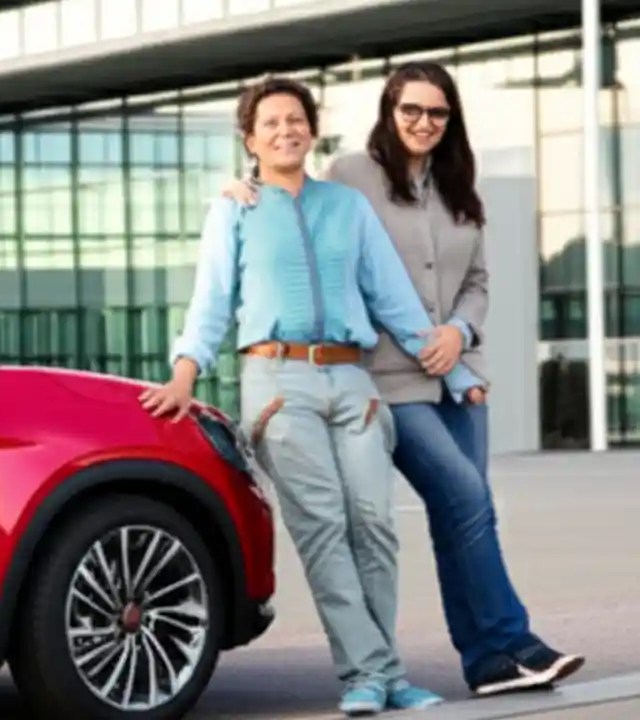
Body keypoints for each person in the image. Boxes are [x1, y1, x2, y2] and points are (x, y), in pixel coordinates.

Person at [217, 61, 585, 697]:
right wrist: (241, 187)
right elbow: (313, 237)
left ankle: (488, 664)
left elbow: (478, 284)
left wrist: (459, 337)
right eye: (410, 110)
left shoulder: (461, 185)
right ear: (389, 113)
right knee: (464, 499)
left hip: (457, 377)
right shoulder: (353, 175)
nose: (423, 123)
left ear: (451, 120)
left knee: (466, 514)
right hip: (389, 379)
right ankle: (514, 639)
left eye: (437, 113)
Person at [139, 76, 483, 716]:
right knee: (324, 530)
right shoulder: (234, 209)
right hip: (278, 384)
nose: (285, 131)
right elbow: (211, 300)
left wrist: (457, 372)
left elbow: (394, 300)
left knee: (374, 528)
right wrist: (185, 371)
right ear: (250, 138)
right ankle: (368, 675)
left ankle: (385, 675)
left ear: (312, 129)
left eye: (295, 119)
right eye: (270, 123)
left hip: (355, 383)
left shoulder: (347, 206)